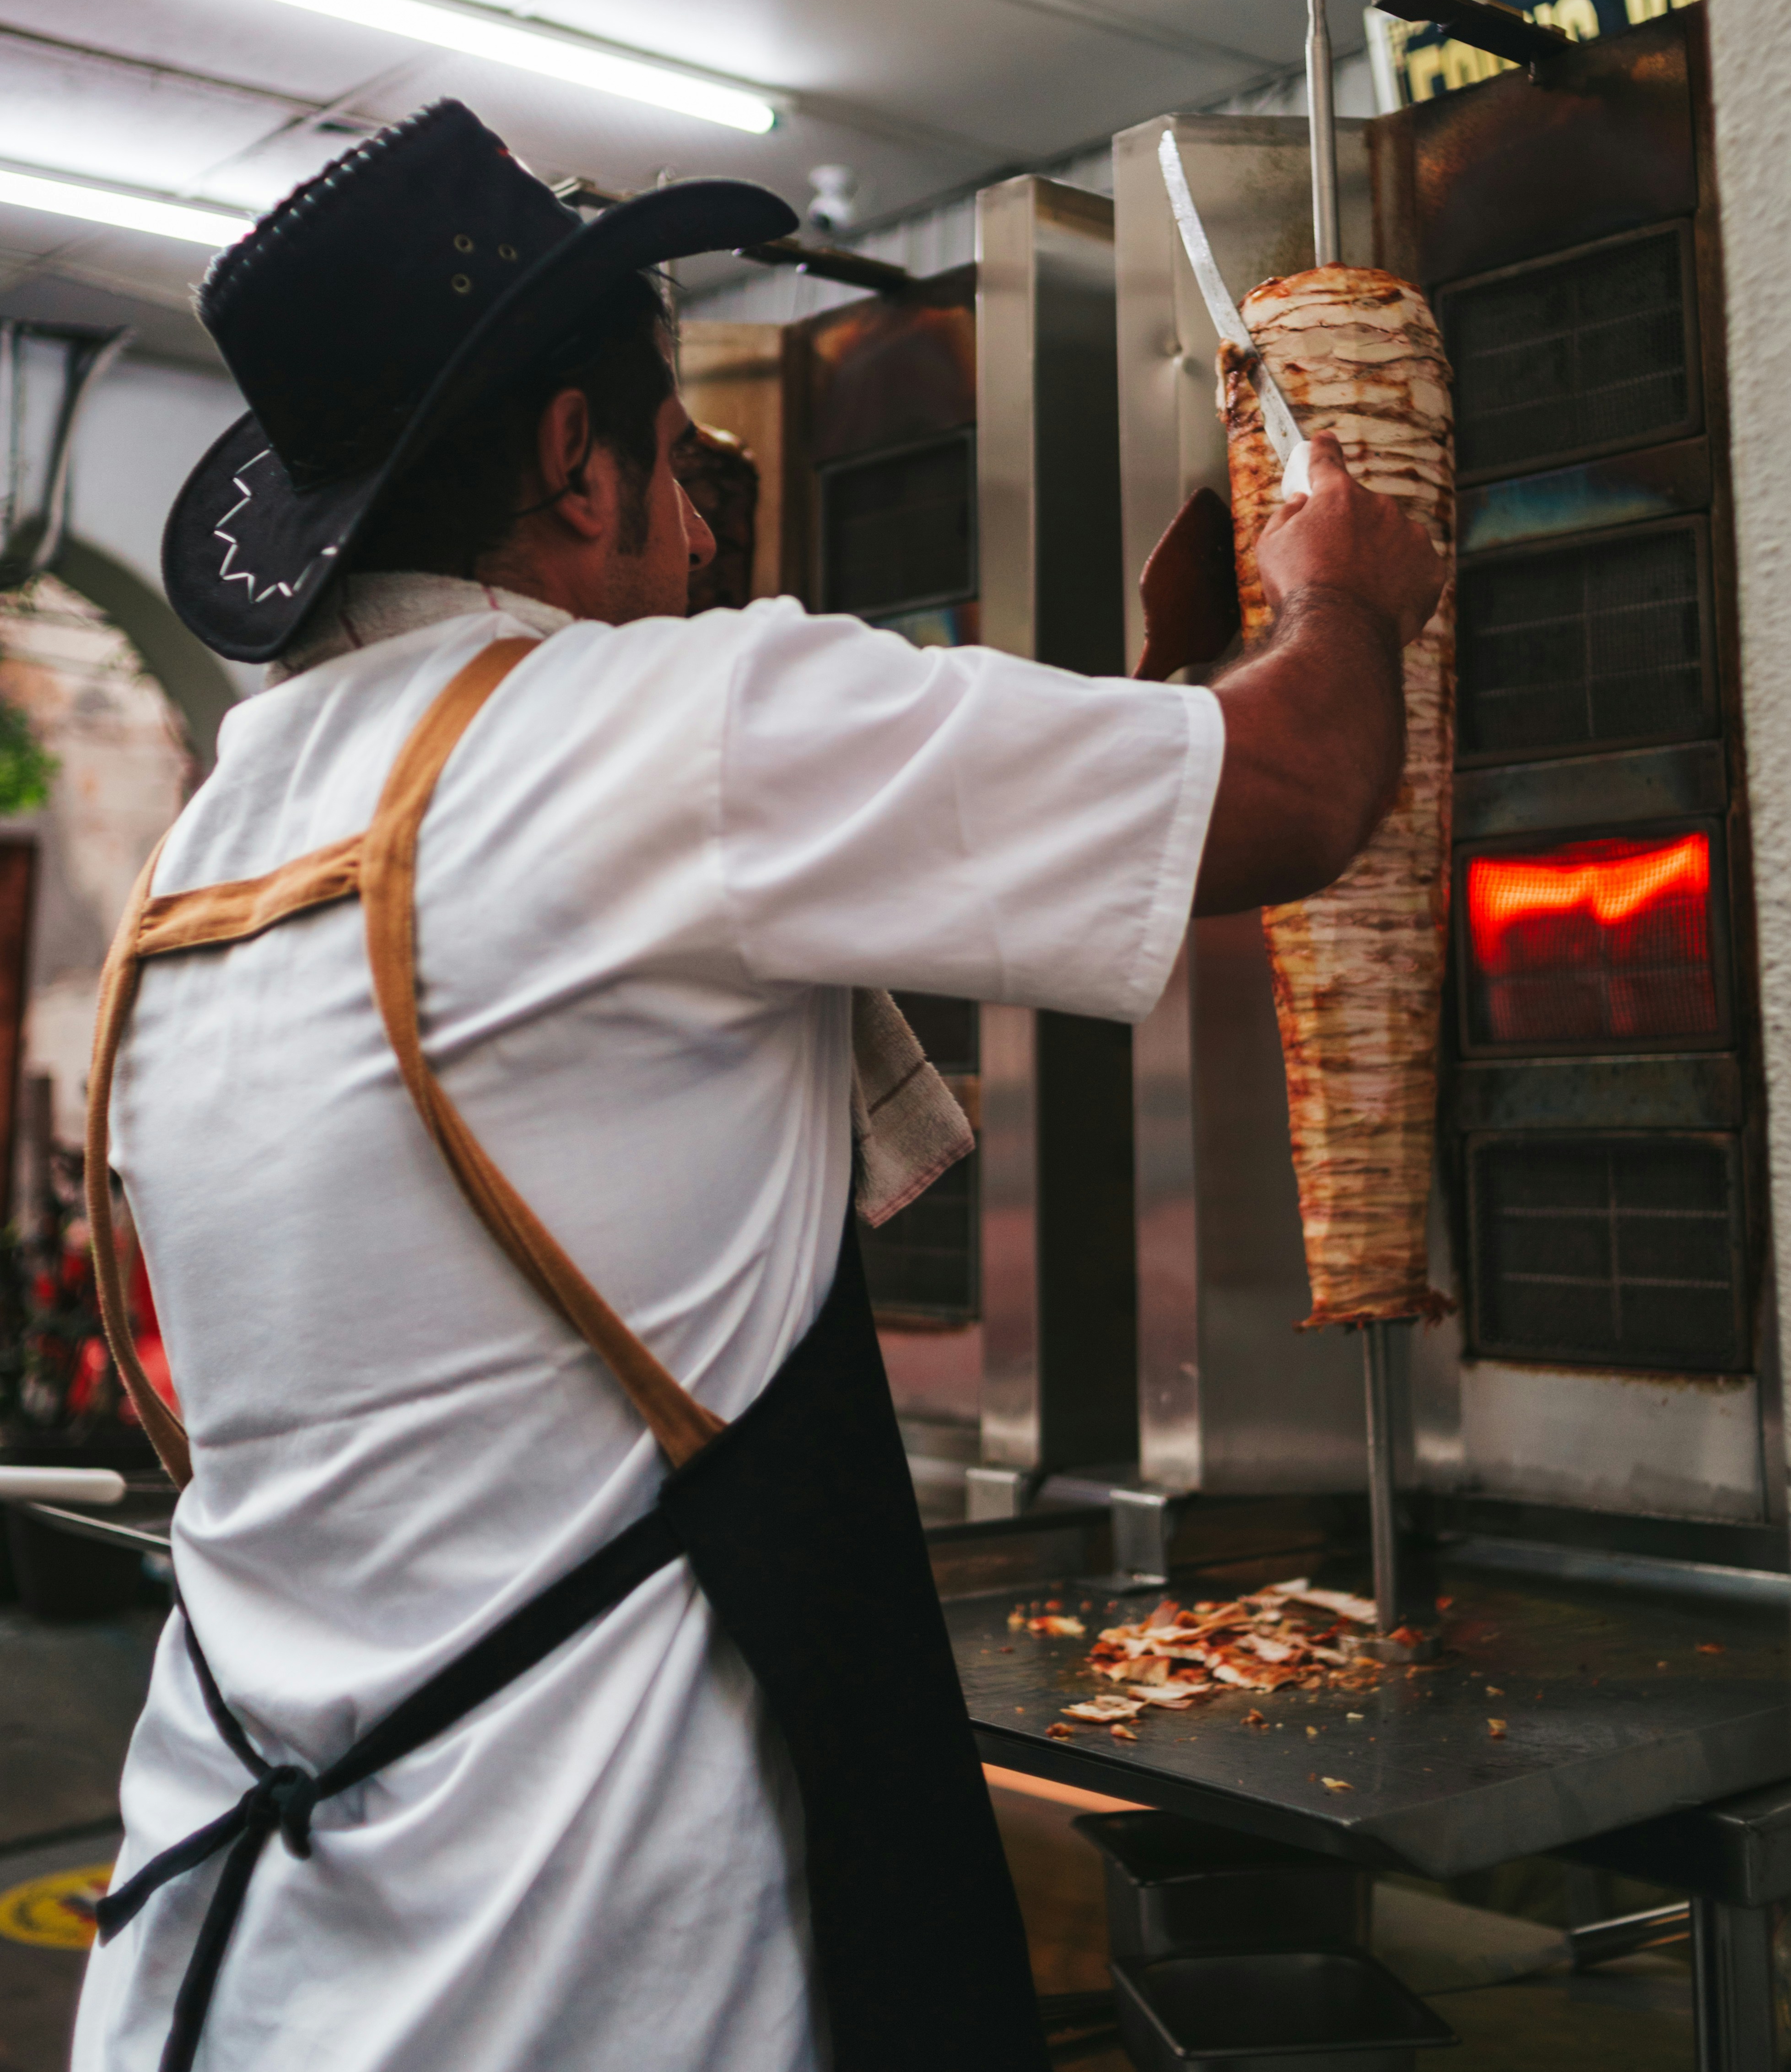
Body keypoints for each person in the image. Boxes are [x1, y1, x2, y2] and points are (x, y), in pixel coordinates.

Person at [73, 100, 1443, 2072]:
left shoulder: (212, 844)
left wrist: (1132, 709)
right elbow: (1308, 784)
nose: (707, 539)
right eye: (675, 470)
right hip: (556, 1982)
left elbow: (658, 1037)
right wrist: (1342, 593)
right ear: (571, 459)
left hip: (224, 1958)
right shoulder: (656, 735)